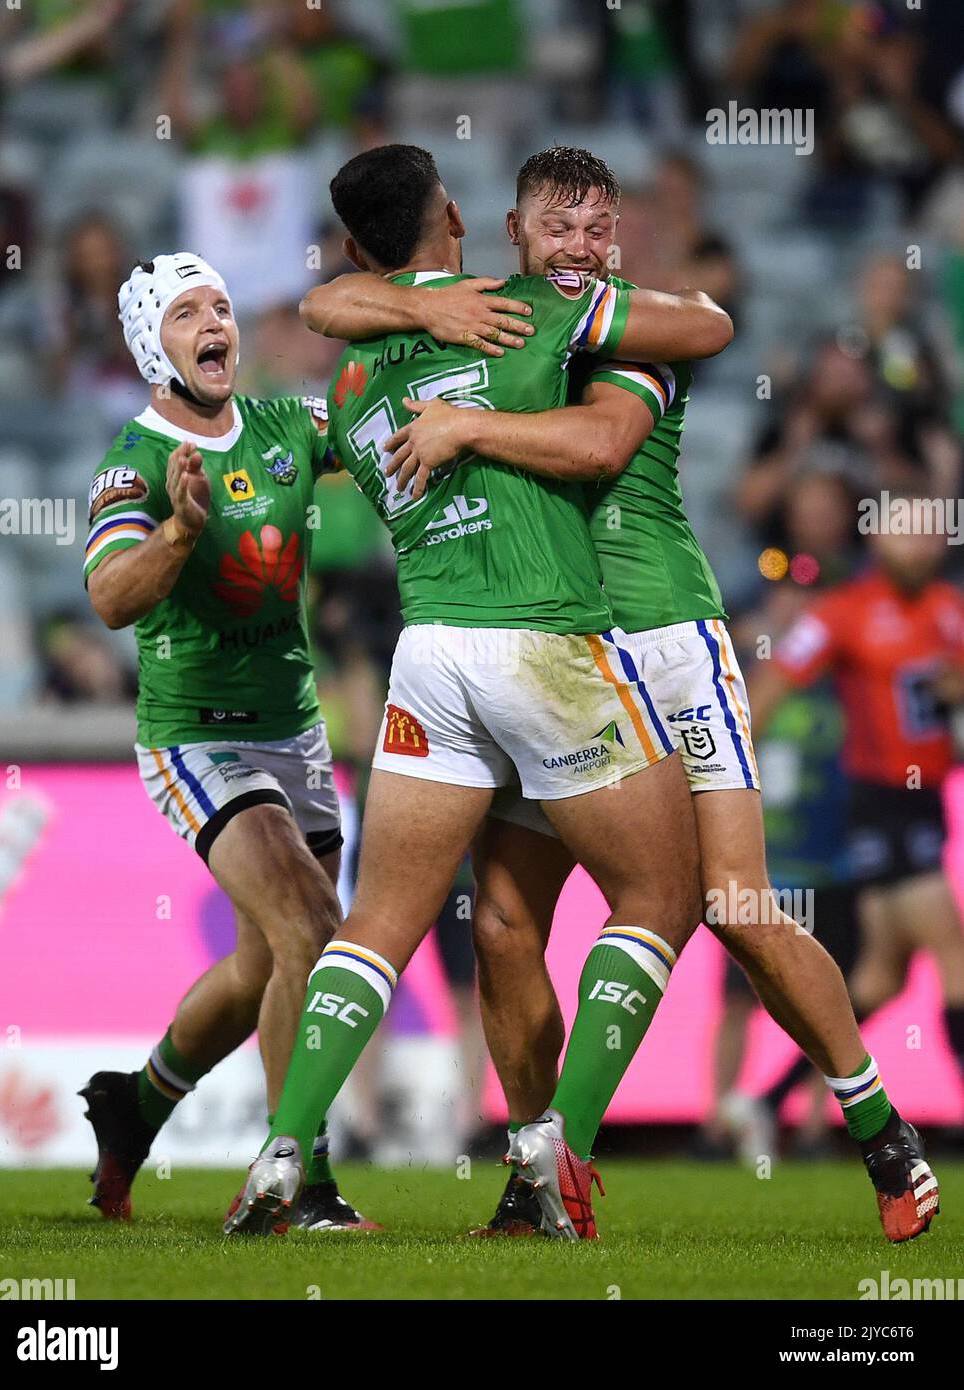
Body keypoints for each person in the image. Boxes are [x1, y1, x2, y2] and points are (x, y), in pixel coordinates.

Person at [349, 146, 940, 1243]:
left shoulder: (625, 329)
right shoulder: (489, 325)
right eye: (556, 229)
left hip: (664, 639)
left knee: (739, 907)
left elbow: (607, 438)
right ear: (513, 235)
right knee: (512, 924)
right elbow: (334, 300)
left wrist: (469, 419)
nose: (577, 248)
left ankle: (880, 1129)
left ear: (612, 237)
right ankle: (537, 1174)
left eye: (594, 229)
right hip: (546, 653)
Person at [224, 141, 733, 1237]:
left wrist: (392, 310)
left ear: (360, 250)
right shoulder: (525, 309)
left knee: (383, 922)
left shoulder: (354, 382)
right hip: (541, 642)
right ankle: (560, 1145)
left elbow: (328, 312)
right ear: (459, 214)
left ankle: (282, 1152)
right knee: (661, 894)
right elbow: (704, 326)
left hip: (429, 654)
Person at [80, 251, 375, 1232]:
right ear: (148, 346)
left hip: (294, 731)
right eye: (184, 314)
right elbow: (109, 597)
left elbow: (382, 427)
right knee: (309, 929)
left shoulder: (290, 425)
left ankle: (140, 1103)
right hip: (197, 737)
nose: (214, 325)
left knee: (265, 968)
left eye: (220, 307)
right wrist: (175, 532)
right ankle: (302, 1183)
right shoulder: (132, 464)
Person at [746, 512, 964, 1145]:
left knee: (881, 976)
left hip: (928, 804)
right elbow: (774, 683)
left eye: (929, 530)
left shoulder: (950, 610)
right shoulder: (843, 612)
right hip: (880, 805)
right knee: (951, 948)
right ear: (874, 536)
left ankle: (768, 1102)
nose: (918, 542)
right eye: (903, 529)